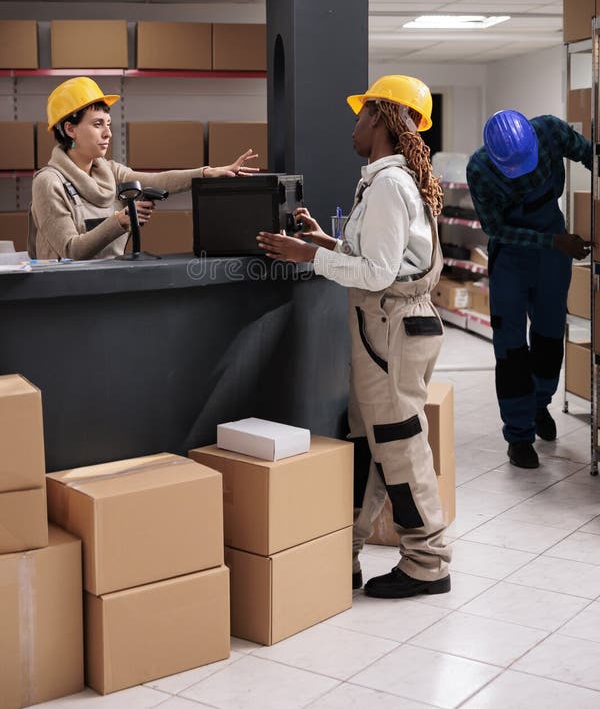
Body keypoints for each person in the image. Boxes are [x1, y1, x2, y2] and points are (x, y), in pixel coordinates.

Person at [257, 75, 451, 599]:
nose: (354, 123)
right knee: (368, 441)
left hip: (390, 329)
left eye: (361, 113)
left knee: (401, 445)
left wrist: (309, 256)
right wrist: (326, 239)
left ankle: (428, 562)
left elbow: (380, 274)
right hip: (384, 329)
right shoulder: (385, 180)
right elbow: (379, 258)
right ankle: (347, 552)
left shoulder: (389, 184)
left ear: (381, 119)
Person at [467, 110, 592, 469]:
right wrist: (553, 241)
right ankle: (518, 436)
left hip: (553, 252)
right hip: (513, 256)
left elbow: (588, 152)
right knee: (511, 348)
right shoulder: (479, 169)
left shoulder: (551, 131)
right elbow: (496, 229)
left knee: (550, 333)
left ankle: (541, 405)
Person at [30, 76, 258, 260]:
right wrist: (119, 221)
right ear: (70, 129)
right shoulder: (49, 183)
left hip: (107, 287)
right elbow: (71, 250)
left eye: (108, 124)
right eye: (97, 124)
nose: (108, 133)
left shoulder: (110, 171)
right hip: (64, 300)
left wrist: (206, 173)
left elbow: (158, 180)